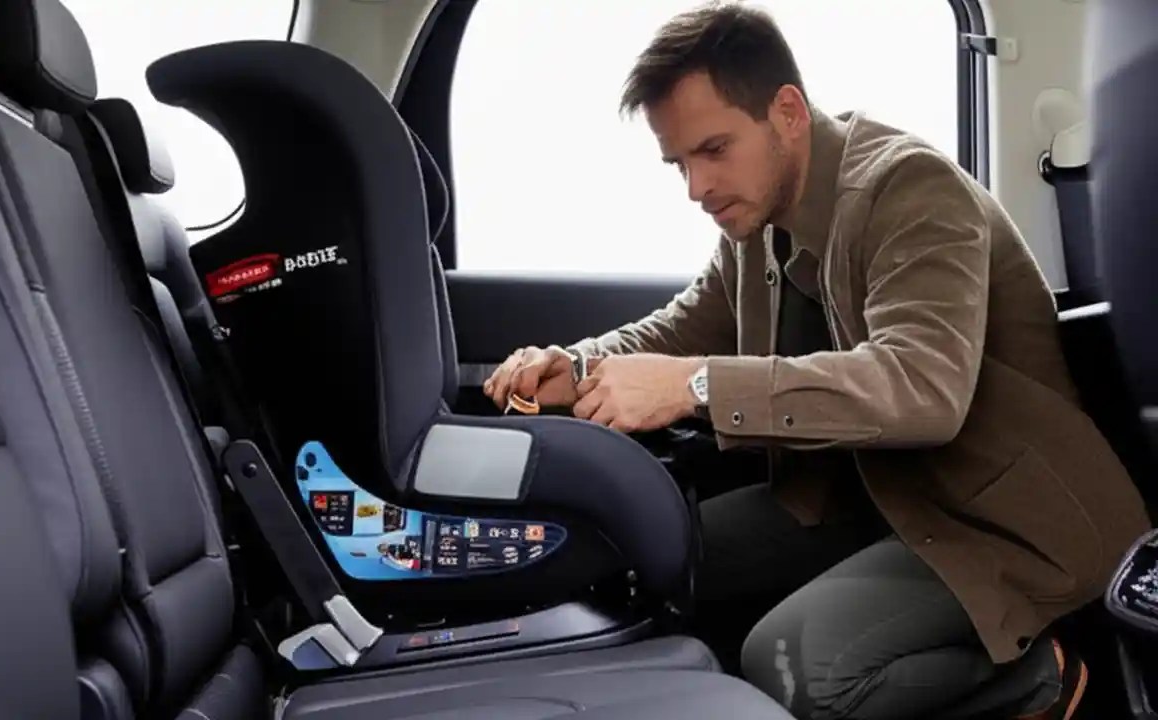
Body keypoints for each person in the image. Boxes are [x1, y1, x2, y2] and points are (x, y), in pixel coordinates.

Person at [482, 3, 1151, 719]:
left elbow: (921, 386)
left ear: (788, 111)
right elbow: (685, 326)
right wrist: (579, 366)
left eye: (714, 150)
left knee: (793, 666)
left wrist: (696, 386)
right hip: (870, 498)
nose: (696, 188)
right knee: (655, 558)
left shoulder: (910, 189)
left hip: (1000, 520)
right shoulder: (756, 218)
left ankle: (1042, 682)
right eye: (680, 163)